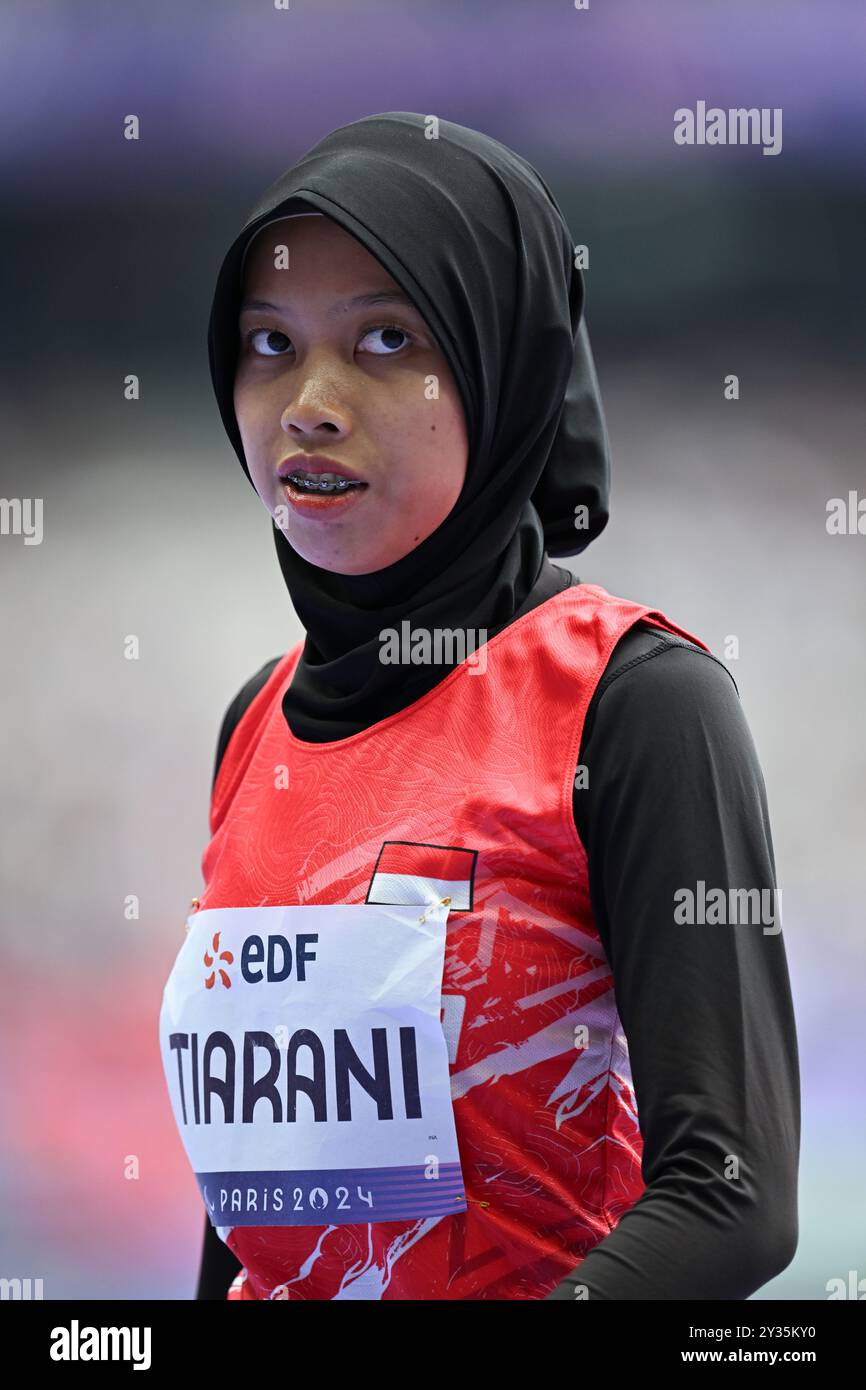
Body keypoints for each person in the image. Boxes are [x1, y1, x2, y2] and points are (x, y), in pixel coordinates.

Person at [174, 111, 799, 1301]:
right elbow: (258, 1207)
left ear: (500, 366)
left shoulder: (634, 702)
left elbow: (729, 1192)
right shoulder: (252, 725)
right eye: (268, 341)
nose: (307, 401)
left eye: (384, 338)